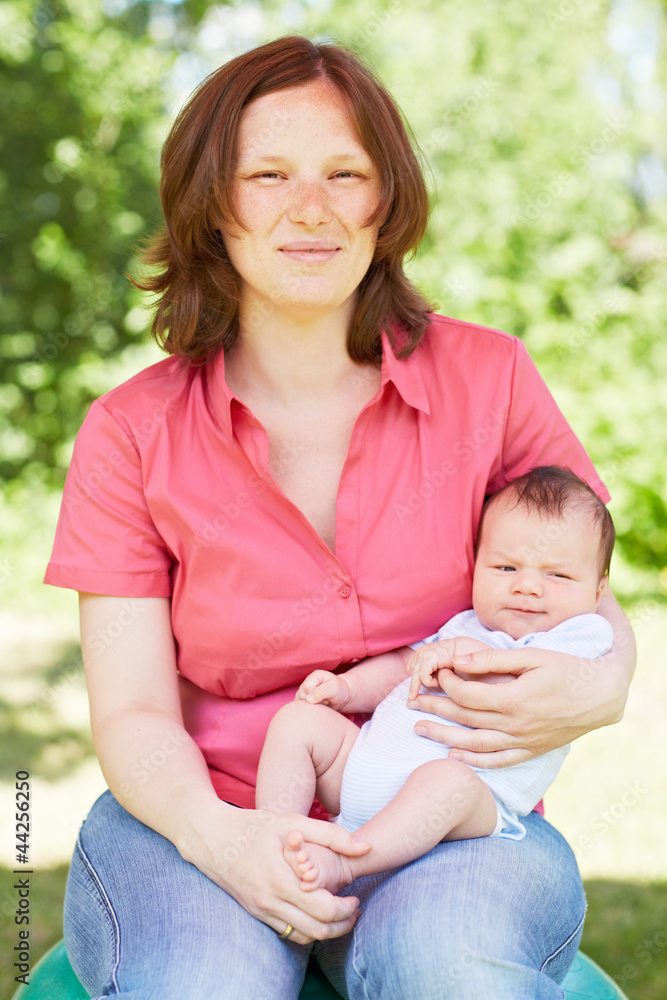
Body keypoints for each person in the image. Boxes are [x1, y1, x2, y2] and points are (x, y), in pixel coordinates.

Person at [44, 34, 635, 1000]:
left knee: (451, 977)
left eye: (344, 173)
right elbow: (135, 709)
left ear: (385, 200)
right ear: (212, 206)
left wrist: (607, 681)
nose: (310, 208)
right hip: (201, 813)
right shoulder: (130, 432)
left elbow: (580, 582)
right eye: (267, 174)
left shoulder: (492, 380)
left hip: (442, 818)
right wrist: (225, 839)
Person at [257, 466, 615, 895]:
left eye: (557, 575)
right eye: (504, 567)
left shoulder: (582, 636)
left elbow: (526, 676)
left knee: (447, 781)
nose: (527, 587)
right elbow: (403, 666)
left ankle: (345, 861)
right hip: (361, 772)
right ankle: (276, 838)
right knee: (299, 722)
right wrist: (347, 690)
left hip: (468, 798)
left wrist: (460, 653)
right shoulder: (464, 623)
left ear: (598, 591)